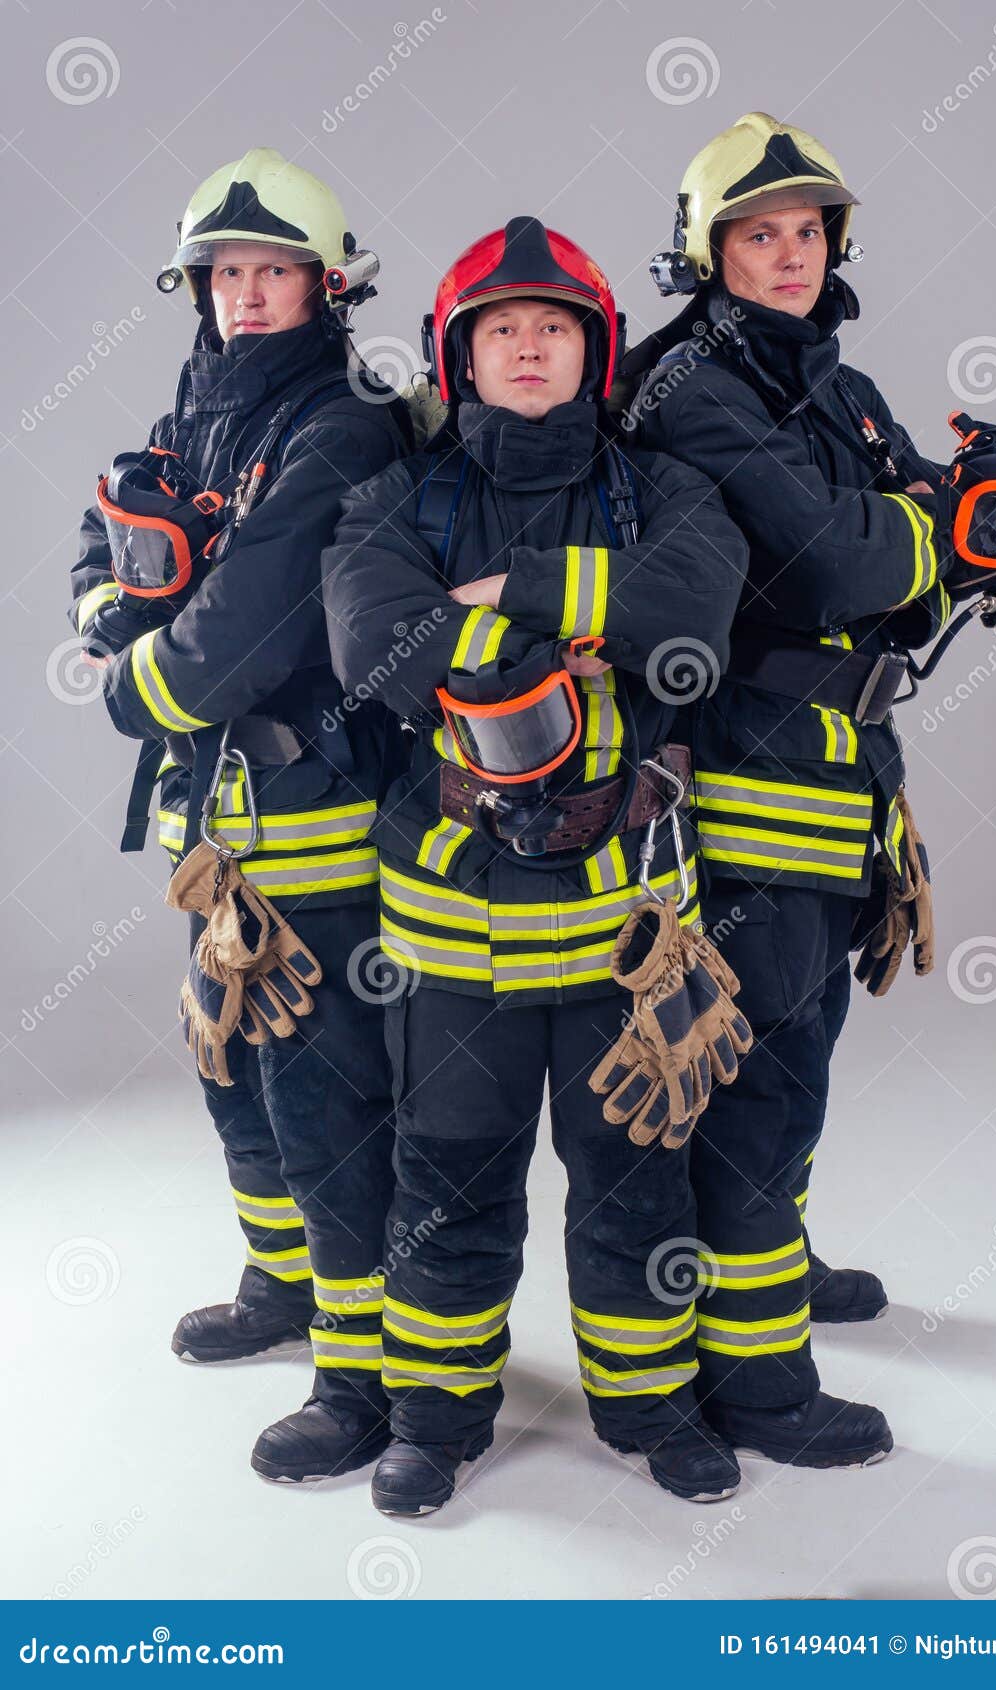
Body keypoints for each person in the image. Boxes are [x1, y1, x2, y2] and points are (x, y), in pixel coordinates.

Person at [322, 216, 750, 1515]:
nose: (526, 345)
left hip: (628, 926)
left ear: (592, 351)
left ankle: (651, 1405)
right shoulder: (399, 497)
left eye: (552, 326)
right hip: (459, 931)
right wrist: (585, 607)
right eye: (500, 327)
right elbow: (372, 640)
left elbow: (693, 606)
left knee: (638, 1181)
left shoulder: (662, 489)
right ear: (460, 355)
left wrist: (516, 591)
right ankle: (436, 1420)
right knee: (444, 1187)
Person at [627, 112, 996, 1469]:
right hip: (745, 782)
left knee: (800, 1057)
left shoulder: (828, 385)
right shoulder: (687, 389)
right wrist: (933, 529)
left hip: (838, 777)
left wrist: (956, 516)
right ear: (707, 250)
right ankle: (758, 1382)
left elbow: (894, 530)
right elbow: (845, 564)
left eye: (807, 230)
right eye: (758, 233)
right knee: (757, 1079)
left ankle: (764, 1266)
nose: (789, 254)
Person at [69, 147, 412, 1481]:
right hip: (218, 845)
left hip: (319, 833)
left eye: (274, 272)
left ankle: (367, 1374)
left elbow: (238, 635)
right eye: (226, 273)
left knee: (327, 1108)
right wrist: (110, 596)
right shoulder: (199, 411)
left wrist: (127, 679)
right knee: (235, 1085)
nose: (247, 294)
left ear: (328, 286)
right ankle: (283, 1290)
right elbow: (106, 531)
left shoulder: (342, 426)